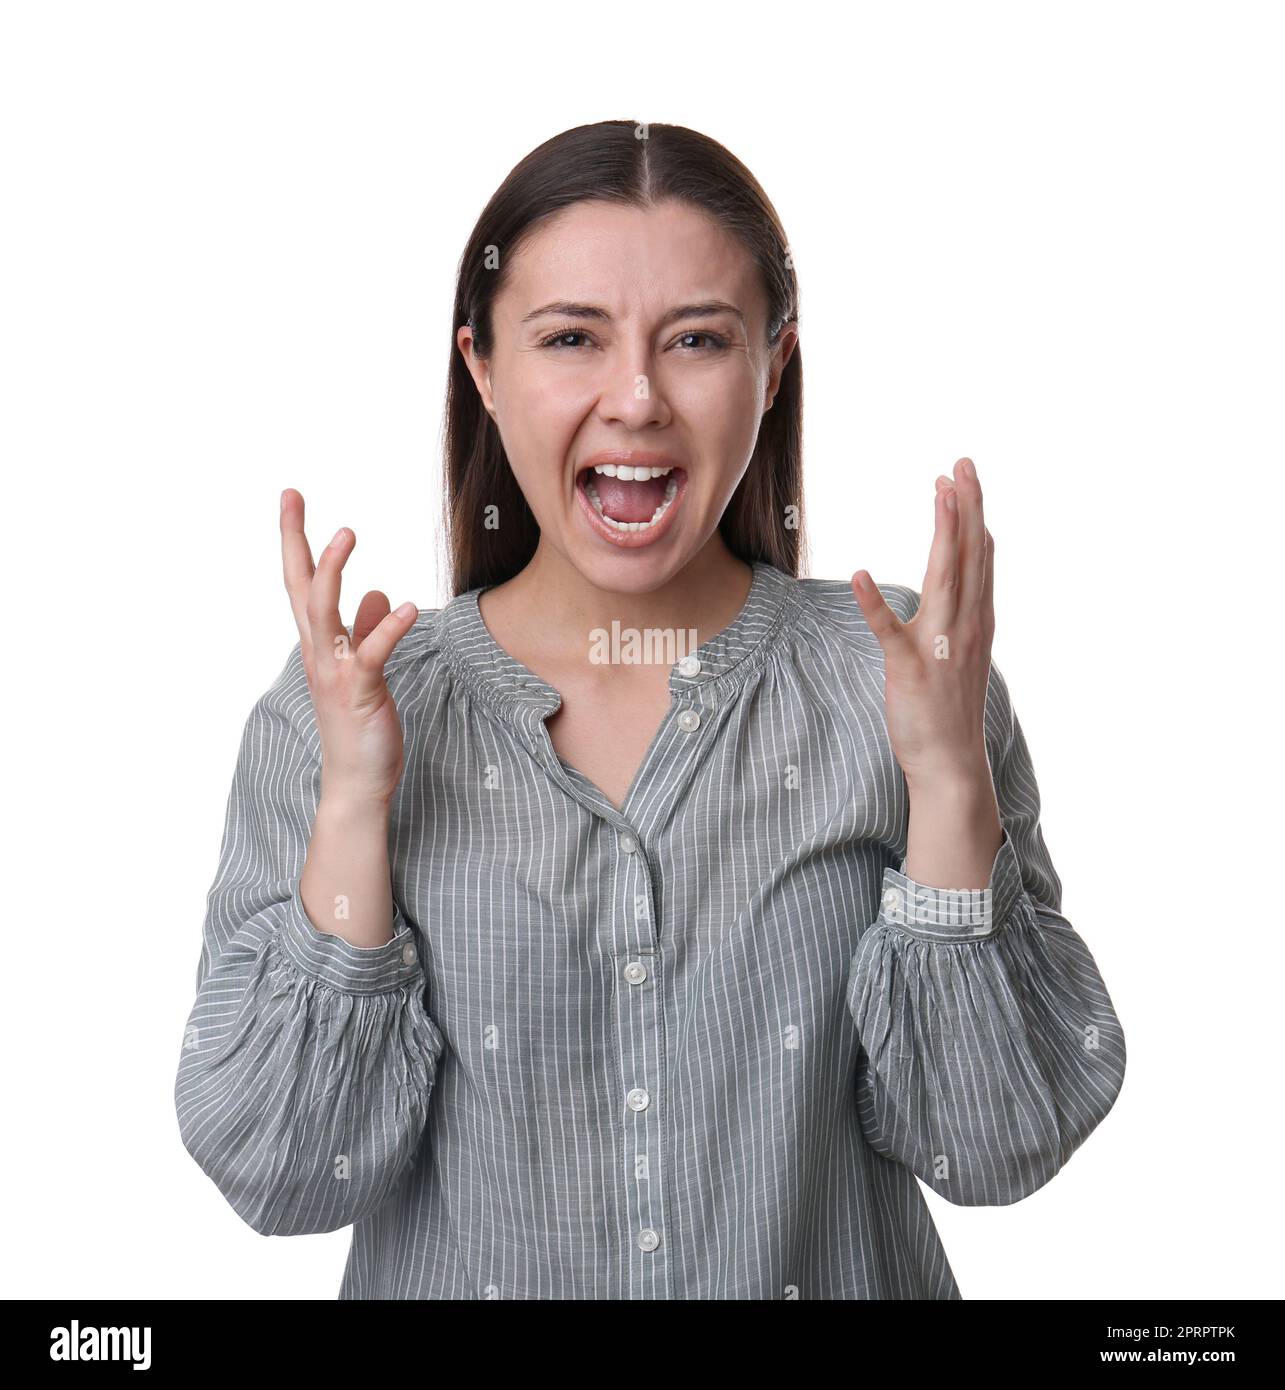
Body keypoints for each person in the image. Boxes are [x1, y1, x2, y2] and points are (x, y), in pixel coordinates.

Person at [174, 119, 1126, 1300]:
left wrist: (944, 786)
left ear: (773, 366)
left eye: (696, 341)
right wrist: (358, 804)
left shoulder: (905, 680)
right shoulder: (344, 706)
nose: (636, 397)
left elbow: (996, 1147)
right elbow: (282, 1177)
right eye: (571, 337)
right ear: (479, 364)